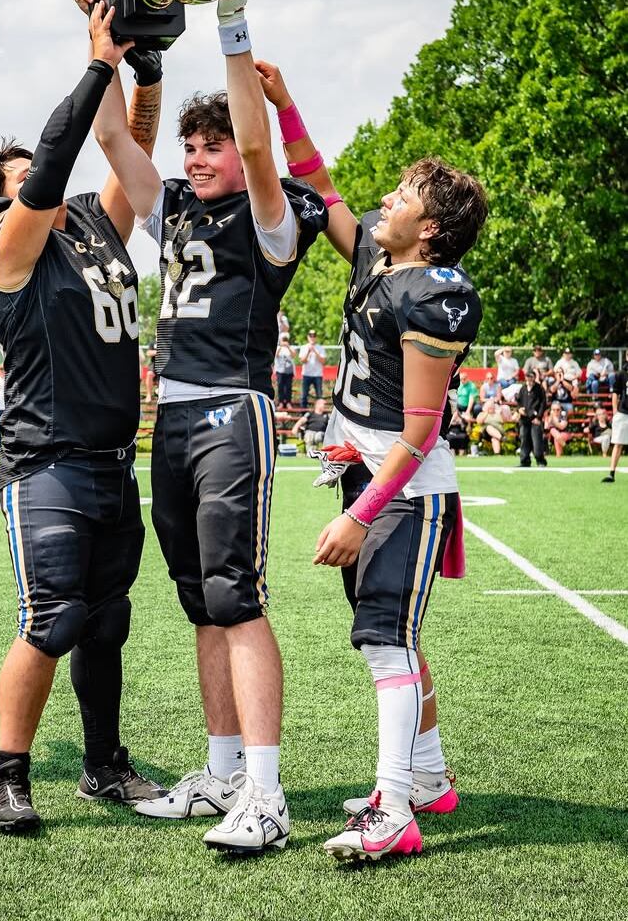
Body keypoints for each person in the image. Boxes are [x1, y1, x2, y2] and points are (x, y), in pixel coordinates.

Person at [83, 0, 328, 855]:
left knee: (238, 596)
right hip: (174, 420)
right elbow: (113, 144)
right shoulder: (178, 206)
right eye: (191, 145)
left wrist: (232, 19)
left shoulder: (271, 213)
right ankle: (224, 768)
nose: (197, 157)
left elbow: (262, 150)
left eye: (210, 144)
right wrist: (100, 40)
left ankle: (265, 790)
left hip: (233, 411)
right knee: (198, 601)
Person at [253, 59, 487, 863]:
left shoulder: (434, 292)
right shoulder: (382, 266)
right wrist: (286, 102)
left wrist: (359, 514)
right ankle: (427, 775)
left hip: (405, 486)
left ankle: (394, 809)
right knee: (391, 638)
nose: (385, 198)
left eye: (404, 195)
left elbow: (421, 429)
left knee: (387, 640)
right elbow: (320, 187)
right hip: (367, 472)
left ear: (430, 229)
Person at [0, 0, 167, 835]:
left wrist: (144, 61)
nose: (48, 175)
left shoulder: (86, 226)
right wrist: (95, 62)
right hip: (47, 459)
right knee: (53, 618)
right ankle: (7, 774)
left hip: (115, 457)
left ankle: (103, 764)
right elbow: (47, 169)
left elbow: (133, 146)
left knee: (107, 621)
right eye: (25, 174)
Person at [515, 370, 547, 467]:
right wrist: (519, 409)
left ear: (534, 377)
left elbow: (543, 404)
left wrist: (538, 417)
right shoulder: (523, 388)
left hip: (535, 419)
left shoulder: (539, 388)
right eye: (528, 377)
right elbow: (519, 402)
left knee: (537, 442)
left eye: (531, 377)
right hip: (524, 419)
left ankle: (541, 461)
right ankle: (525, 461)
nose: (529, 379)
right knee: (524, 440)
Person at [601, 367, 627, 483]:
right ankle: (612, 473)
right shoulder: (622, 374)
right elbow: (615, 392)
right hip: (624, 412)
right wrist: (615, 410)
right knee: (618, 444)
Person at [299, 329, 327, 406]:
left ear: (316, 337)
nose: (312, 337)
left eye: (314, 335)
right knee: (304, 396)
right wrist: (308, 352)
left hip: (317, 375)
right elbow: (302, 361)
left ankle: (320, 415)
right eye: (310, 335)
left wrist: (315, 351)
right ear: (308, 337)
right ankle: (303, 414)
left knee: (319, 396)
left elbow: (323, 361)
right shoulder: (303, 347)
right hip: (306, 374)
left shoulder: (320, 348)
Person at [274, 334, 295, 408]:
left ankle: (288, 402)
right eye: (283, 340)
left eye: (286, 340)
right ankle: (281, 402)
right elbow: (275, 355)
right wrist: (281, 346)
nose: (285, 341)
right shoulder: (278, 348)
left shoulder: (291, 347)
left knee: (288, 387)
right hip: (280, 371)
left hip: (289, 371)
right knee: (280, 387)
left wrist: (288, 347)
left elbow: (293, 355)